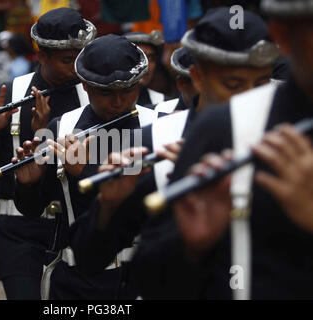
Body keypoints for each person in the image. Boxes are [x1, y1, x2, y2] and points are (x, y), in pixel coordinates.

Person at [68, 7, 279, 297]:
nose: (250, 98)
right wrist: (109, 206)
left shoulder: (290, 144)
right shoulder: (154, 142)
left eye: (261, 83)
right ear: (197, 78)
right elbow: (90, 258)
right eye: (232, 84)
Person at [132, 0, 313, 299]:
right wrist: (189, 248)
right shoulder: (221, 127)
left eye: (259, 81)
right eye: (232, 83)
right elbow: (150, 277)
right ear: (284, 32)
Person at [0, 7, 96, 299]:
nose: (76, 67)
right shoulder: (11, 94)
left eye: (81, 57)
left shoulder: (94, 95)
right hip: (19, 232)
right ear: (42, 55)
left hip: (74, 231)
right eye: (66, 60)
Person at [13, 34, 155, 300]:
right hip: (77, 281)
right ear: (85, 85)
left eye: (128, 90)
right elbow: (34, 210)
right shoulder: (61, 128)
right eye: (106, 92)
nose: (118, 102)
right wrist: (28, 185)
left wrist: (86, 171)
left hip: (145, 275)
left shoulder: (159, 125)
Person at [124, 31, 165, 107]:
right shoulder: (103, 104)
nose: (146, 64)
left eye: (151, 58)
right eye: (138, 56)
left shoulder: (165, 105)